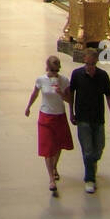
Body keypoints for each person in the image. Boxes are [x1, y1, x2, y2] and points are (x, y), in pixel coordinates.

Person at [68, 45, 110, 194]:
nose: (90, 67)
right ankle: (90, 179)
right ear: (84, 60)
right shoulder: (76, 74)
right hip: (83, 118)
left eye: (93, 64)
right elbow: (71, 95)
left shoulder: (103, 76)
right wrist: (71, 113)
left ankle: (92, 164)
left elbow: (109, 96)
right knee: (88, 150)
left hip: (98, 118)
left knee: (99, 148)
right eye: (88, 64)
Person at [25, 55, 73, 196]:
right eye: (51, 70)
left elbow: (70, 99)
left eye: (55, 70)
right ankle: (51, 178)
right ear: (47, 68)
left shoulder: (64, 80)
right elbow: (35, 94)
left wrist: (61, 94)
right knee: (48, 148)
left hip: (59, 115)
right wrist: (28, 107)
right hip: (45, 115)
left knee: (58, 146)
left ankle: (54, 167)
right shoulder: (41, 80)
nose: (53, 73)